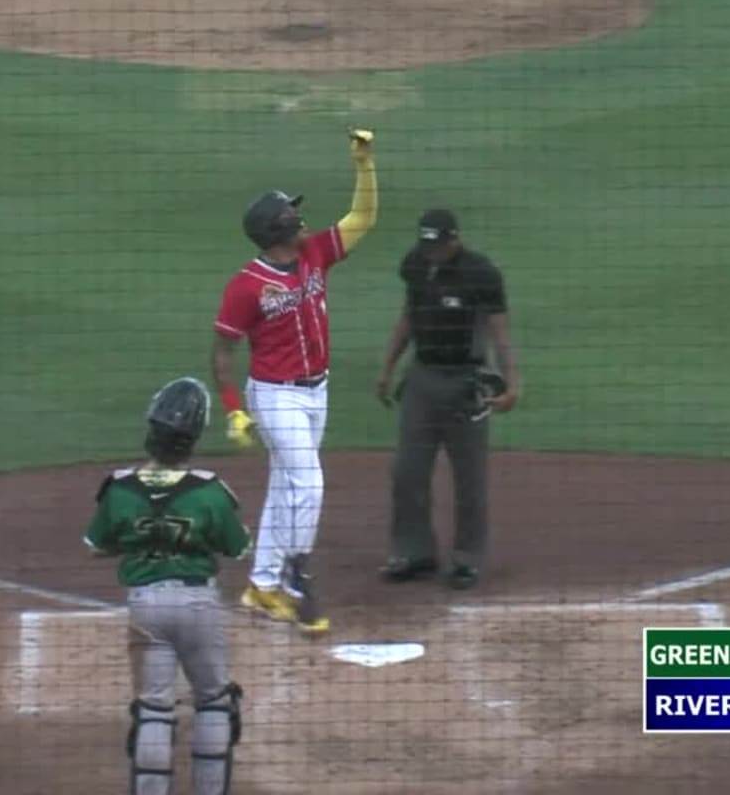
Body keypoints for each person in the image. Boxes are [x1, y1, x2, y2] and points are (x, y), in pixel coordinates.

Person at [210, 128, 378, 635]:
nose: (303, 217)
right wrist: (235, 408)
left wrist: (364, 165)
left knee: (286, 488)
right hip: (276, 395)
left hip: (316, 391)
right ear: (279, 228)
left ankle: (262, 586)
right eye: (293, 213)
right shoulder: (246, 286)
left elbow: (364, 219)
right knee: (309, 482)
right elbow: (222, 351)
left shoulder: (314, 255)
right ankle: (298, 575)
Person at [83, 376, 251, 795]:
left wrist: (140, 540)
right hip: (198, 605)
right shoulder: (210, 492)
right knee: (214, 701)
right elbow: (238, 548)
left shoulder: (119, 489)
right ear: (193, 438)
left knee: (154, 708)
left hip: (146, 608)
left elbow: (96, 547)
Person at [374, 208, 520, 590]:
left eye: (437, 245)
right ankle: (414, 551)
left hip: (466, 383)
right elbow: (408, 317)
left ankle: (467, 559)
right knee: (407, 472)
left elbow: (499, 331)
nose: (431, 252)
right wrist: (387, 368)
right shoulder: (416, 265)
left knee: (469, 477)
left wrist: (512, 383)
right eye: (426, 245)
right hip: (422, 379)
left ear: (454, 239)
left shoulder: (480, 274)